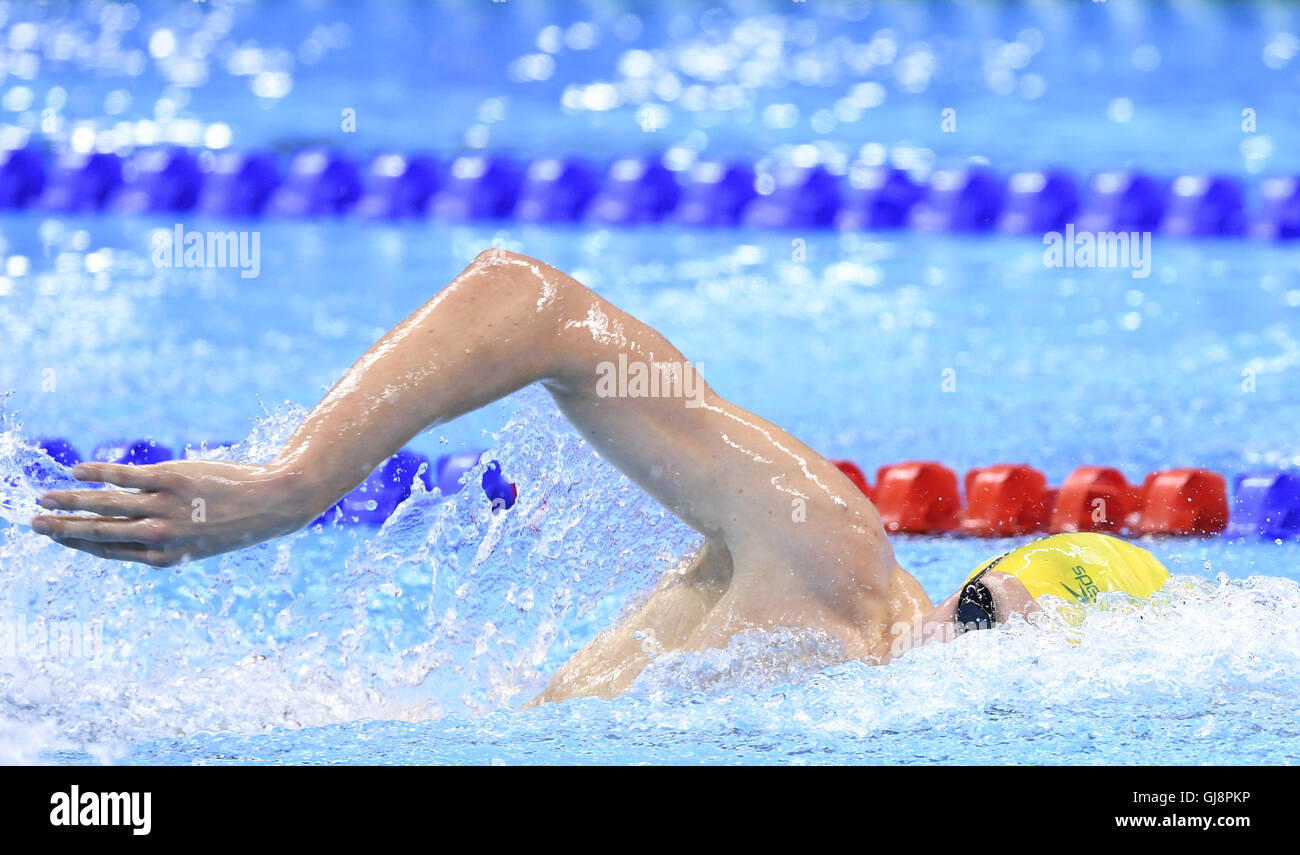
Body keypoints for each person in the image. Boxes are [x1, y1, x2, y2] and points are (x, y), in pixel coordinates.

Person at [29, 249, 1169, 703]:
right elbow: (536, 302)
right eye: (977, 614)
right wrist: (296, 481)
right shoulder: (831, 558)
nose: (964, 647)